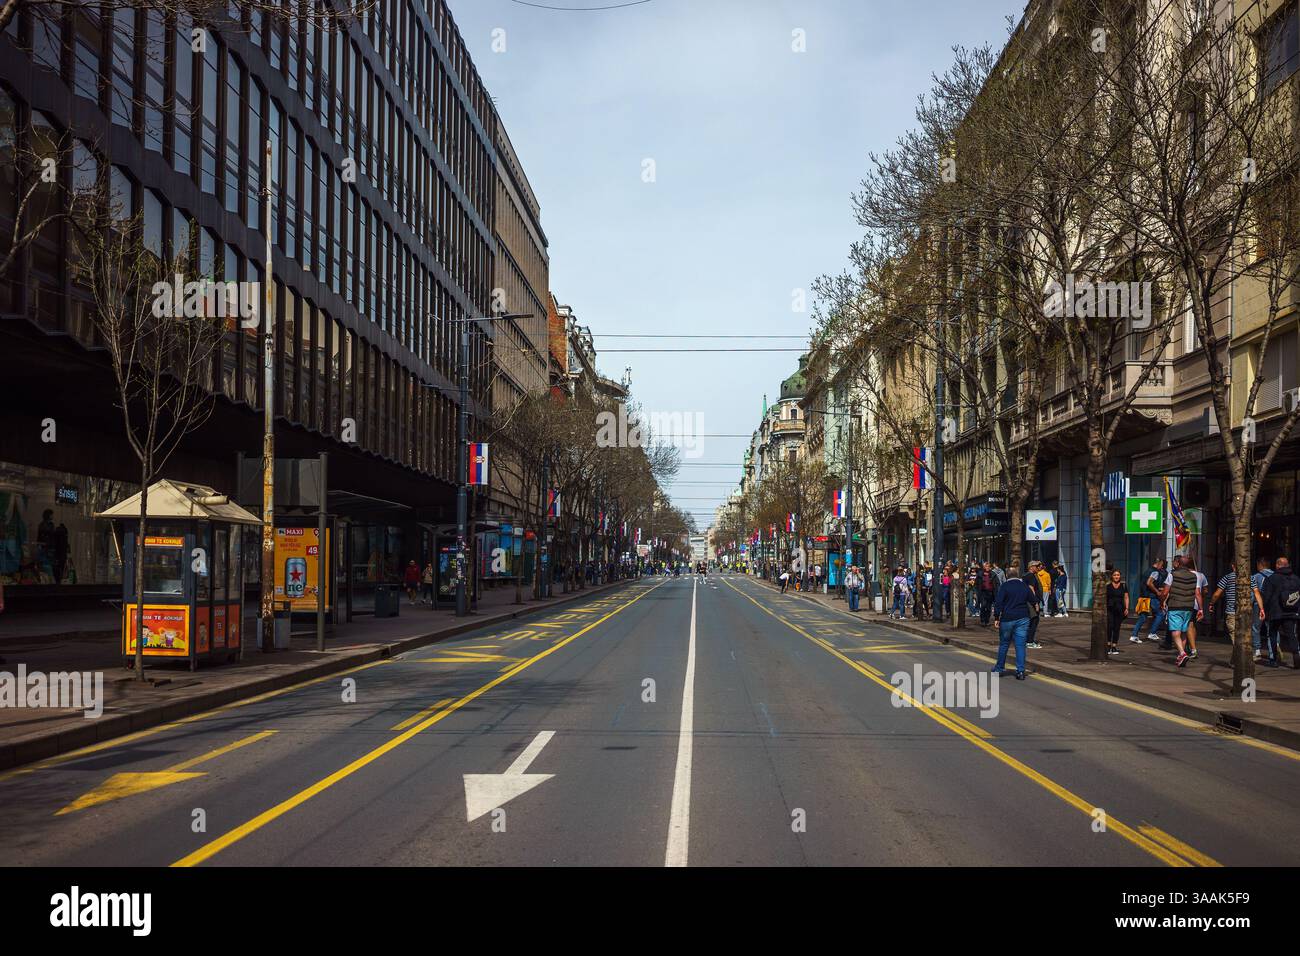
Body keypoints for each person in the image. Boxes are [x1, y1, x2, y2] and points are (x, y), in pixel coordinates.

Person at [991, 563, 1034, 680]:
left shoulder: (1004, 586)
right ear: (1017, 575)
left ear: (1007, 575)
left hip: (1007, 618)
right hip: (1023, 618)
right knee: (1020, 645)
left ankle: (999, 668)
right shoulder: (1024, 586)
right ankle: (1020, 671)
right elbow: (1033, 599)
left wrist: (996, 617)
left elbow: (998, 603)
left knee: (1004, 644)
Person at [1160, 555, 1202, 668]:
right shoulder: (1194, 576)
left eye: (1175, 562)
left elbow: (1165, 592)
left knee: (1175, 631)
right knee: (1183, 631)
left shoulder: (1172, 575)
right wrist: (1201, 609)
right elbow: (1198, 594)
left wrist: (1162, 602)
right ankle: (1181, 655)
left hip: (1175, 605)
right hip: (1189, 607)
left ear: (1178, 563)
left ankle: (1182, 653)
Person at [1261, 556, 1300, 669]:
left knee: (1272, 634)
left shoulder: (1272, 578)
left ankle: (1273, 660)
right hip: (1291, 611)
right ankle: (1296, 656)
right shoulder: (1296, 579)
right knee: (1291, 635)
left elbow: (1266, 596)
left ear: (1278, 565)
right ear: (1287, 565)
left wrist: (1264, 610)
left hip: (1275, 612)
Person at [1131, 557, 1170, 645]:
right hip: (1151, 597)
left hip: (1143, 597)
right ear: (1160, 564)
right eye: (1163, 566)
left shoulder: (1147, 571)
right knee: (1161, 614)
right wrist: (1157, 591)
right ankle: (1152, 633)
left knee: (1143, 617)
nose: (1163, 569)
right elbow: (1149, 583)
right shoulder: (1155, 572)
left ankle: (1134, 635)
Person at [1251, 557, 1278, 665]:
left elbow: (1253, 594)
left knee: (1255, 627)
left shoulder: (1256, 577)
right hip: (1273, 606)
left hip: (1259, 605)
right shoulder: (1276, 576)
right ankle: (1273, 651)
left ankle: (1257, 651)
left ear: (1260, 565)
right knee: (1272, 629)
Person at [1208, 563, 1239, 644]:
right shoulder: (1250, 577)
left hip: (1231, 611)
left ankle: (1239, 653)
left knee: (1234, 633)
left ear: (1232, 566)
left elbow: (1217, 594)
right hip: (1246, 610)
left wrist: (1211, 604)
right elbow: (1256, 592)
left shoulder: (1228, 577)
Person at [1105, 568, 1129, 656]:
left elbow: (1126, 597)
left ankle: (1114, 645)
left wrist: (1126, 608)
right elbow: (1105, 598)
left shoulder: (1123, 586)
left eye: (1118, 575)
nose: (1116, 576)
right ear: (1112, 576)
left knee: (1116, 627)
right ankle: (1108, 645)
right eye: (1115, 575)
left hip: (1120, 609)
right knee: (1109, 626)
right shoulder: (1108, 586)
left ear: (1120, 576)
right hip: (1110, 608)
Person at [1023, 561, 1045, 649]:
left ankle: (1028, 640)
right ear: (1031, 567)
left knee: (1030, 621)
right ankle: (1029, 641)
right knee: (1034, 620)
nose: (1038, 567)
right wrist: (1035, 602)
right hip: (1031, 603)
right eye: (1036, 566)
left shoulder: (1026, 575)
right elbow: (1031, 588)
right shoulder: (1031, 576)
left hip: (1027, 601)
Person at [977, 561, 996, 626]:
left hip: (990, 592)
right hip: (983, 592)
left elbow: (996, 584)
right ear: (984, 567)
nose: (987, 567)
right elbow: (977, 584)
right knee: (983, 606)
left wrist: (996, 592)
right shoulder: (980, 574)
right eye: (986, 566)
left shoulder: (993, 574)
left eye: (988, 566)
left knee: (988, 607)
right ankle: (982, 620)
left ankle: (987, 620)